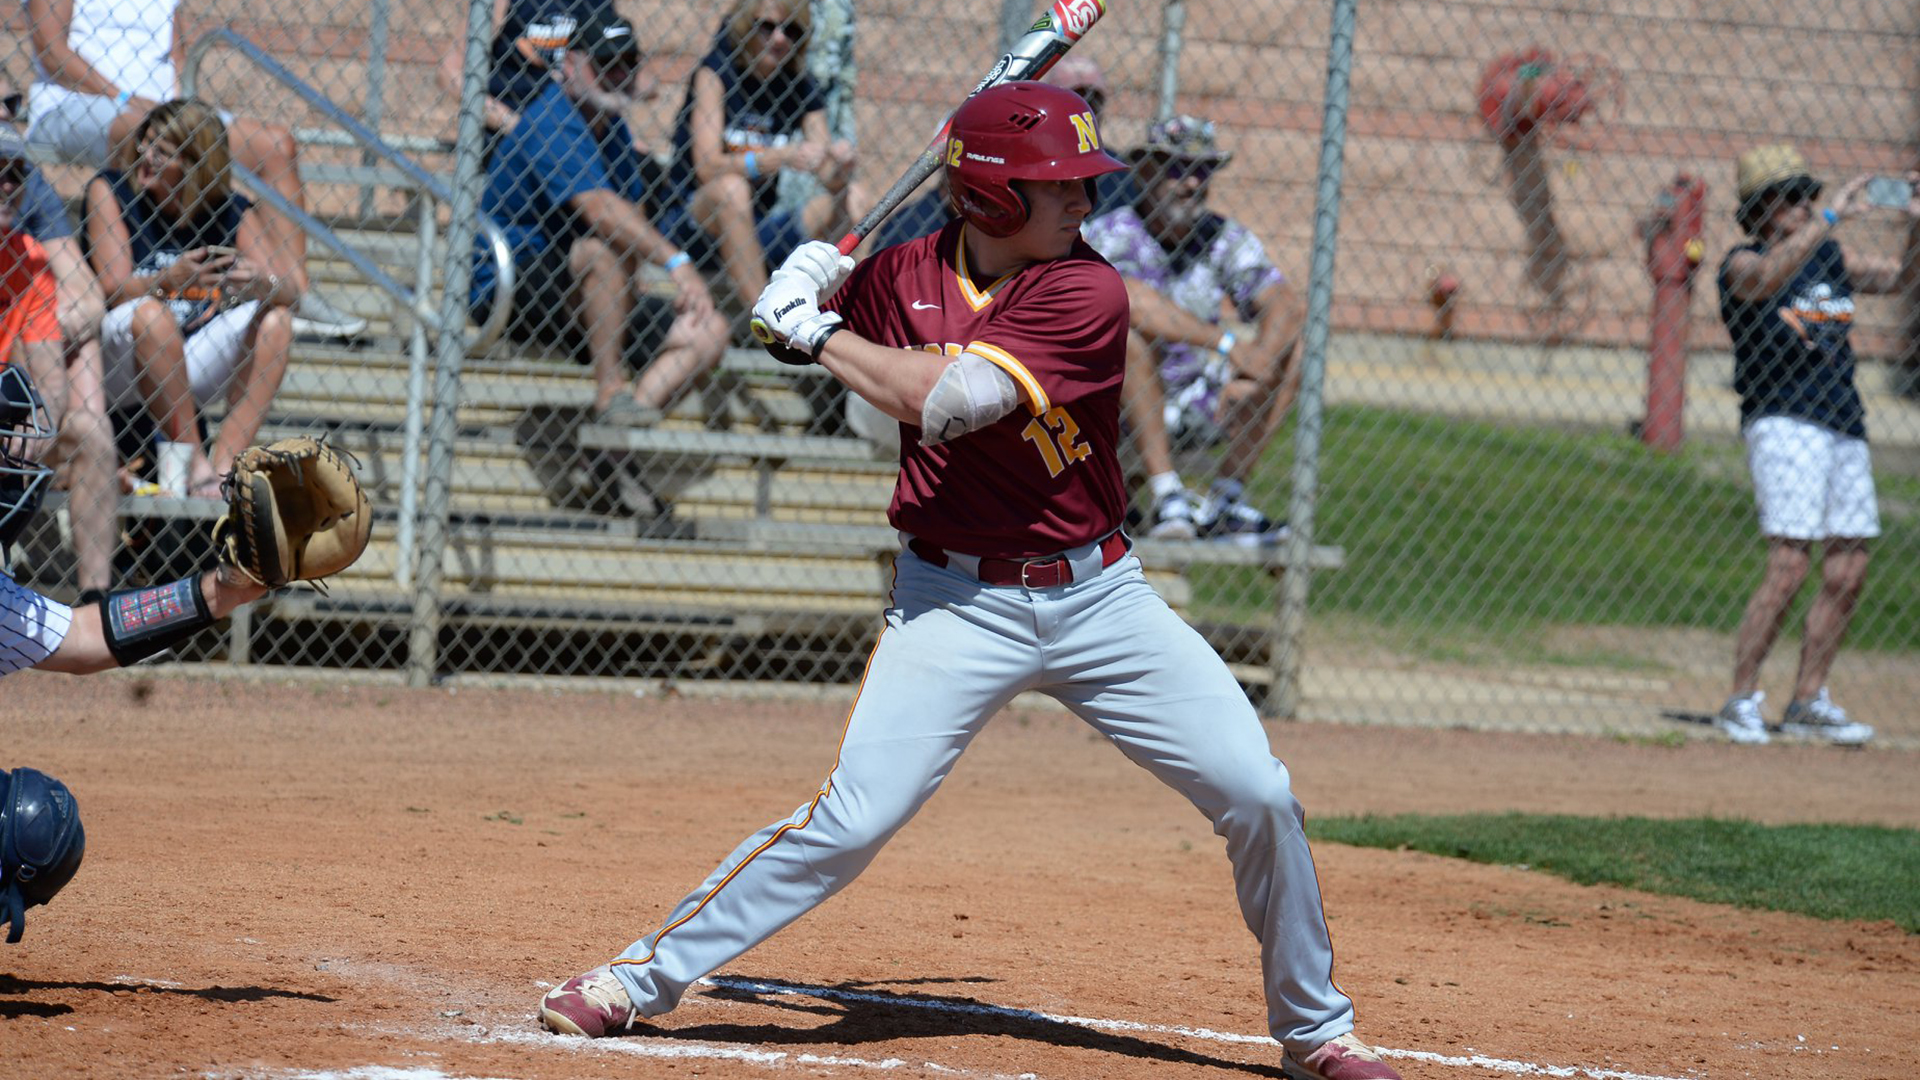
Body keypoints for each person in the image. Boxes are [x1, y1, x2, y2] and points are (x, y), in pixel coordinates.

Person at [537, 82, 1403, 1080]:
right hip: (952, 603)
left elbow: (946, 399)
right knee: (852, 819)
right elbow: (788, 327)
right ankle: (636, 981)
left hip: (1099, 599)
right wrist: (799, 289)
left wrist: (815, 330)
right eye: (1061, 187)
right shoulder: (900, 270)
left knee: (1258, 791)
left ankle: (1317, 1032)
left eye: (1085, 184)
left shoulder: (1089, 291)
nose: (1086, 203)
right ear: (991, 200)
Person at [1712, 144, 1917, 747]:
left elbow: (1901, 279)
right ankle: (1741, 698)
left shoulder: (1829, 255)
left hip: (1842, 420)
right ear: (1760, 207)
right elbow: (1768, 278)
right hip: (1784, 420)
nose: (1805, 204)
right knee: (1790, 564)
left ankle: (1807, 699)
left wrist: (1915, 231)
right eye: (1791, 194)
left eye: (1810, 193)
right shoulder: (1739, 263)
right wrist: (1830, 219)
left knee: (1849, 568)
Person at [22, 0, 368, 339]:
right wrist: (125, 98)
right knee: (142, 130)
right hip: (75, 103)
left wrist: (183, 120)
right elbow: (51, 50)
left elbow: (177, 59)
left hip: (158, 111)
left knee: (276, 146)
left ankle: (294, 295)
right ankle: (135, 281)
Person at [470, 12, 726, 426]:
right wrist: (677, 263)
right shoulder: (550, 118)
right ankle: (610, 391)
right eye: (604, 63)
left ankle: (612, 445)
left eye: (627, 63)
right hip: (509, 284)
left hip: (588, 297)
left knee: (708, 330)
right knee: (604, 249)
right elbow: (600, 210)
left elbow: (631, 211)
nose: (618, 74)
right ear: (569, 64)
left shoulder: (616, 131)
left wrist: (638, 278)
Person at [1082, 115, 1303, 542]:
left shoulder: (1222, 236)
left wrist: (1256, 366)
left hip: (1203, 404)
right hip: (1115, 416)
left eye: (1203, 171)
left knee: (1293, 349)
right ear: (1146, 172)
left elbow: (1283, 303)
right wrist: (1223, 343)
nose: (1192, 184)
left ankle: (1225, 502)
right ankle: (1167, 496)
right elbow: (1131, 300)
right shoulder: (1107, 235)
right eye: (1178, 170)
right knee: (1127, 338)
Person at [82, 99, 295, 496]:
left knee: (276, 321)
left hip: (183, 359)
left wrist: (260, 283)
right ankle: (195, 460)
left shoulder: (230, 209)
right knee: (152, 315)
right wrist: (168, 280)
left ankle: (222, 470)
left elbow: (290, 290)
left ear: (195, 163)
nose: (146, 156)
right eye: (145, 144)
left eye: (161, 152)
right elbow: (110, 290)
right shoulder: (112, 190)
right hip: (117, 361)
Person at [661, 0, 870, 307]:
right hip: (693, 221)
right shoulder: (716, 73)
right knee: (732, 190)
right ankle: (767, 318)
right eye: (768, 27)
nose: (780, 38)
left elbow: (829, 178)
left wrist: (841, 165)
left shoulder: (798, 85)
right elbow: (706, 168)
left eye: (792, 30)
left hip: (758, 226)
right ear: (747, 26)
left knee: (854, 196)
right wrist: (778, 157)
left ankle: (848, 311)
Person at [1, 101, 117, 602]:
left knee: (91, 434)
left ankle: (94, 600)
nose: (10, 185)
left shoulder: (29, 259)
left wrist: (35, 425)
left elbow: (50, 382)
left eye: (16, 172)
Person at [868, 55, 1127, 254]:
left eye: (1094, 101)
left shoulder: (1077, 269)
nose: (1083, 204)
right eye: (1059, 184)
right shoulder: (910, 238)